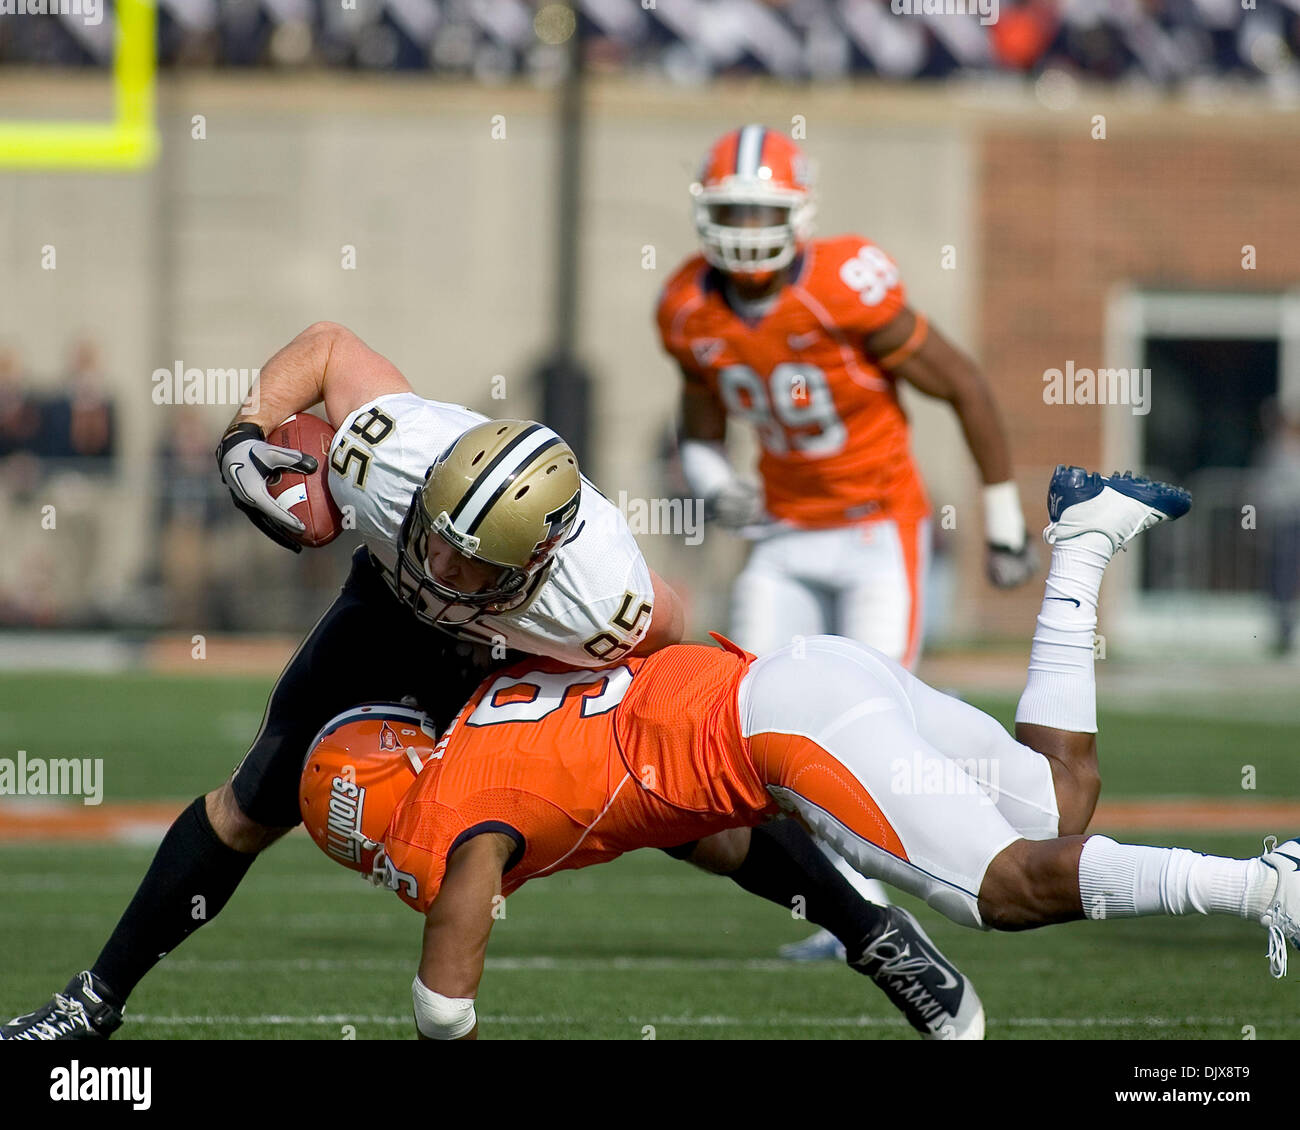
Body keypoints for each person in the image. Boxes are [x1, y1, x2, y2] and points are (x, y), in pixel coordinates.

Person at [1, 321, 975, 1041]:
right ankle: (95, 1000)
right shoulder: (396, 456)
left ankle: (872, 933)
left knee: (689, 814)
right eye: (439, 534)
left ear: (529, 565)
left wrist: (695, 731)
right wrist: (249, 425)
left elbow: (672, 635)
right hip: (384, 611)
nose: (442, 559)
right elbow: (330, 350)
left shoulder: (600, 598)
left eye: (468, 559)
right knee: (256, 796)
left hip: (521, 655)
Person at [297, 464, 1298, 1042]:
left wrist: (441, 1016)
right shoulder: (485, 717)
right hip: (803, 674)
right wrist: (865, 928)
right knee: (1053, 807)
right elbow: (703, 834)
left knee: (1005, 888)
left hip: (785, 726)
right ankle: (1082, 538)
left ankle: (1268, 886)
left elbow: (468, 874)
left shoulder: (449, 815)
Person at [657, 124, 1036, 958]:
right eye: (733, 209)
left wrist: (1005, 517)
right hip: (786, 533)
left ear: (800, 213)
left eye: (763, 209)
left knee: (879, 720)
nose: (748, 226)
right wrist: (715, 481)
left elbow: (964, 383)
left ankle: (1001, 815)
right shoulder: (688, 306)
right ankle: (849, 909)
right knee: (747, 720)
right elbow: (700, 420)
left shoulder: (844, 284)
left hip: (875, 527)